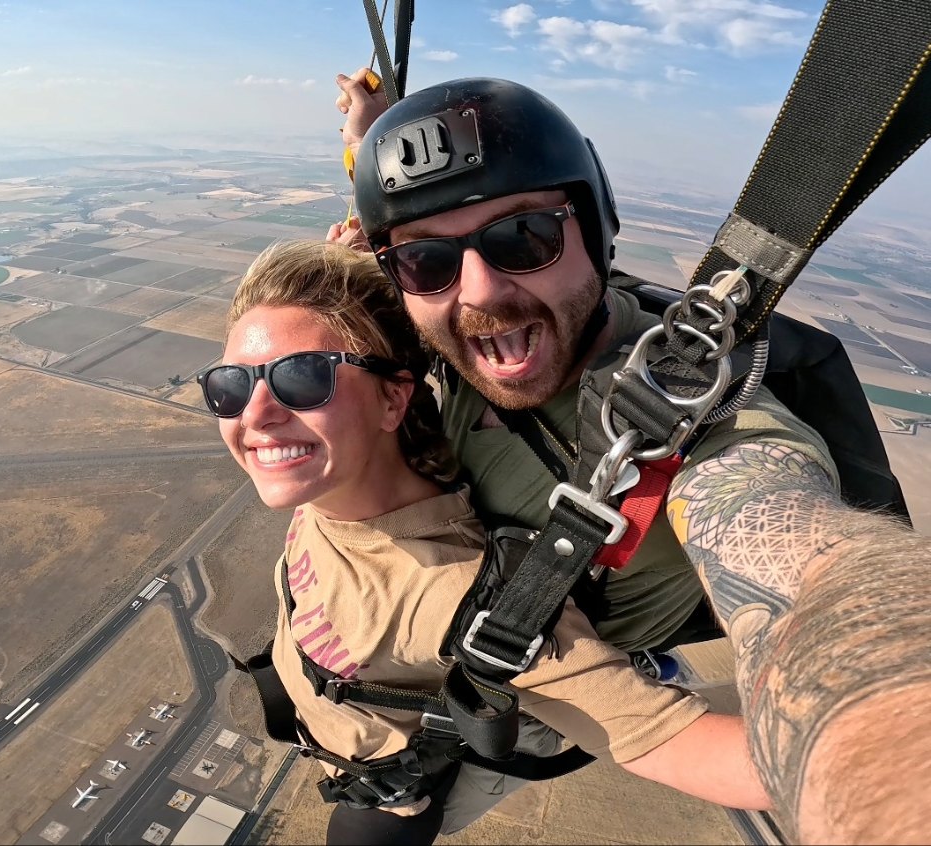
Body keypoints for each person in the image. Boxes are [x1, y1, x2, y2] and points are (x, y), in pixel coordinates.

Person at [332, 71, 931, 844]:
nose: (478, 291)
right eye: (426, 264)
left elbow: (804, 559)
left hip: (539, 696)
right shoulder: (434, 329)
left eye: (524, 238)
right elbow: (374, 242)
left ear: (594, 226)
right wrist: (368, 140)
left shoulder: (709, 423)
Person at [203, 240, 769, 845]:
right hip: (330, 715)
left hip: (391, 792)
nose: (255, 413)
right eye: (230, 385)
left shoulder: (457, 597)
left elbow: (689, 750)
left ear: (393, 398)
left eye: (302, 378)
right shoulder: (330, 477)